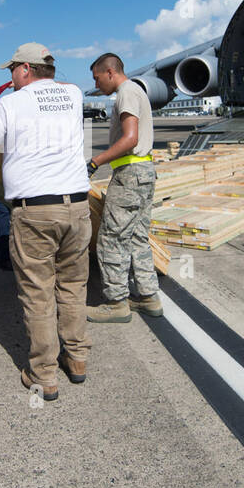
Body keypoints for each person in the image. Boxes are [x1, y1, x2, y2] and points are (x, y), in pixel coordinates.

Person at [0, 43, 91, 400]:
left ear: (25, 69)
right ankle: (78, 359)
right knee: (73, 286)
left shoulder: (11, 103)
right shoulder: (74, 94)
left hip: (36, 210)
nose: (9, 78)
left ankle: (44, 374)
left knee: (38, 294)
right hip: (76, 207)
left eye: (12, 71)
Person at [86, 53, 161, 322]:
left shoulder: (126, 93)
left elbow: (130, 138)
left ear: (109, 72)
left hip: (129, 173)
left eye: (97, 78)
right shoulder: (136, 91)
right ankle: (148, 297)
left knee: (112, 237)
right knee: (138, 237)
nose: (96, 84)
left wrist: (96, 161)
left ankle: (117, 303)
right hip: (144, 172)